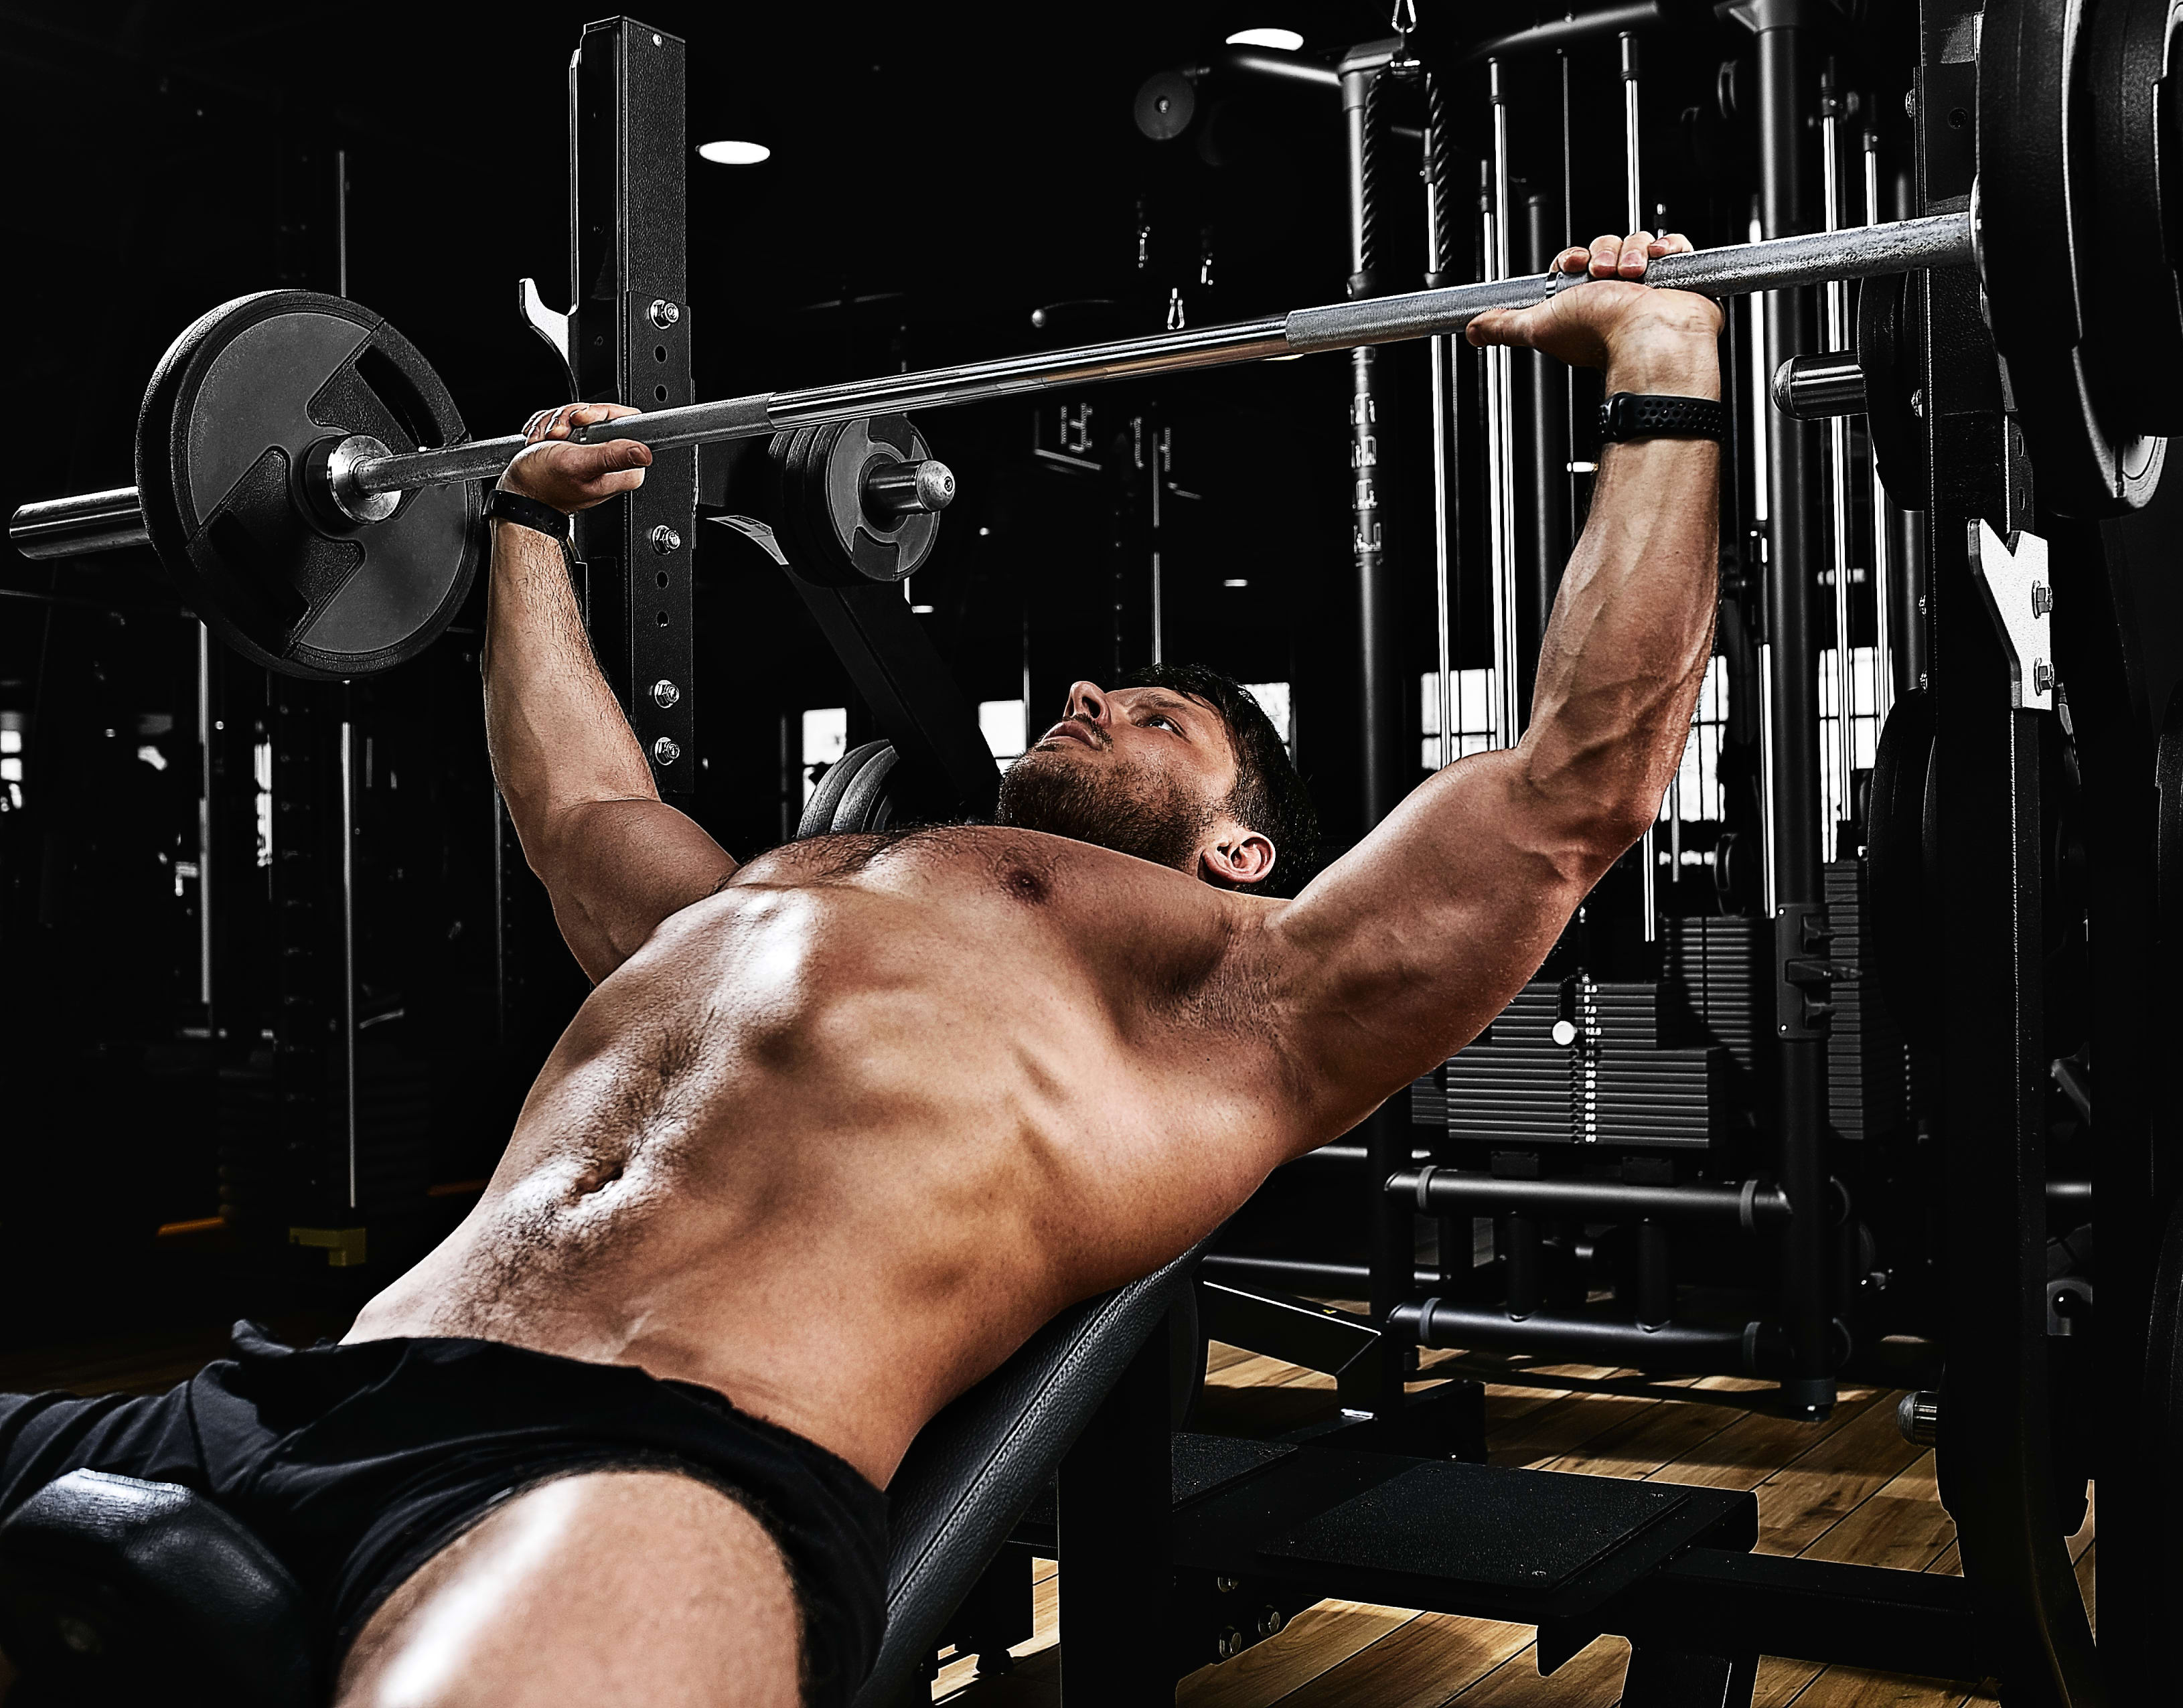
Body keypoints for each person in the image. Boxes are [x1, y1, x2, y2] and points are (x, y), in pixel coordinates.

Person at [0, 230, 1723, 1707]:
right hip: (303, 1388)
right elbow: (582, 808)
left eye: (1156, 717)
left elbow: (1573, 784)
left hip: (629, 1466)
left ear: (1240, 849)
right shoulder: (780, 891)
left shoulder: (1244, 994)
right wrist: (520, 527)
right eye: (1104, 689)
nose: (1090, 696)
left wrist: (1663, 365)